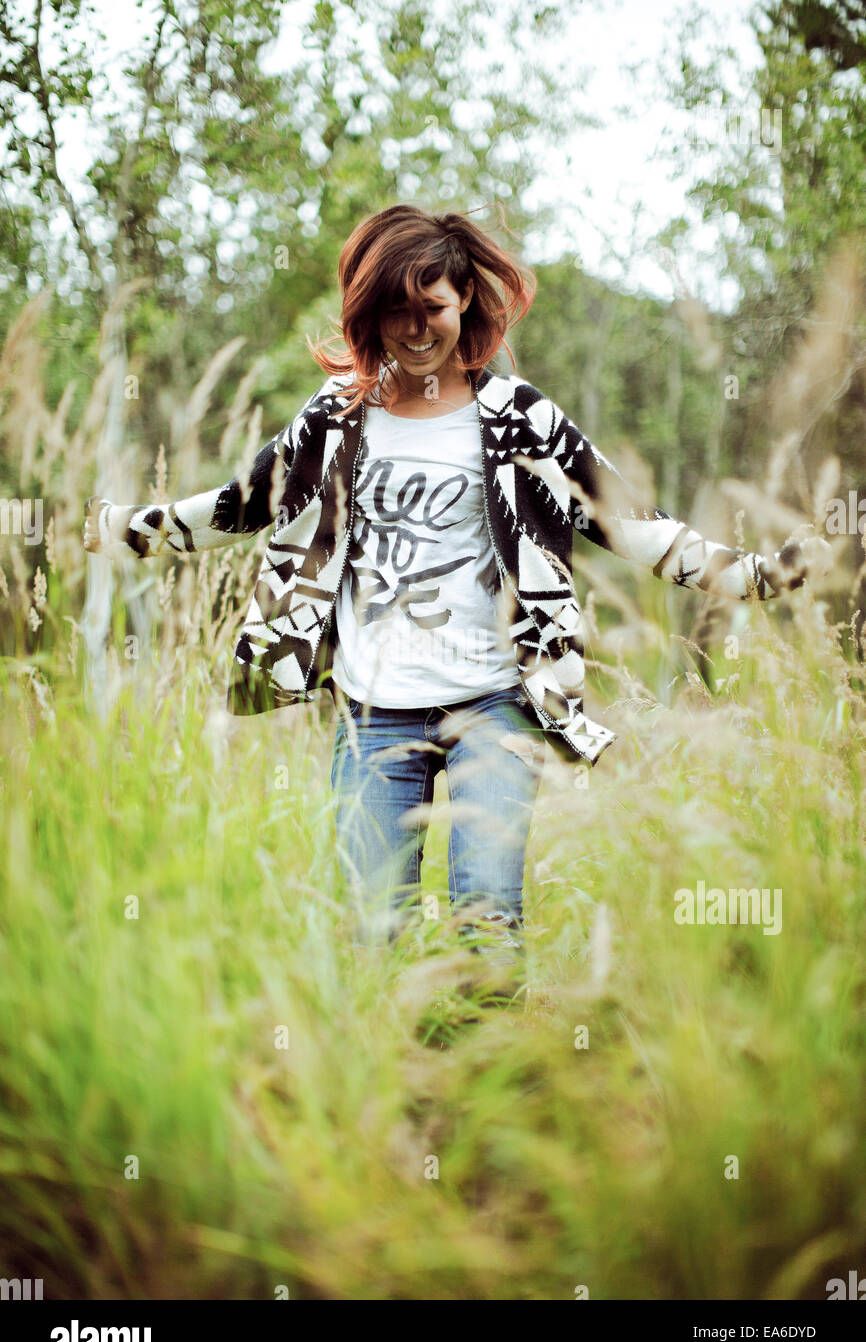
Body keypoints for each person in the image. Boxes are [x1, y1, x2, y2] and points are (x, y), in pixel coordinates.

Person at [84, 202, 831, 972]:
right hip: (372, 711)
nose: (414, 329)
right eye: (394, 311)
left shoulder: (520, 419)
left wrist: (753, 576)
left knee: (487, 919)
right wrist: (120, 528)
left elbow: (628, 521)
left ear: (465, 298)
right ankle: (389, 1083)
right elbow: (242, 503)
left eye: (431, 308)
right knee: (375, 934)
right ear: (368, 313)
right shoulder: (338, 418)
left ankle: (486, 1067)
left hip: (494, 703)